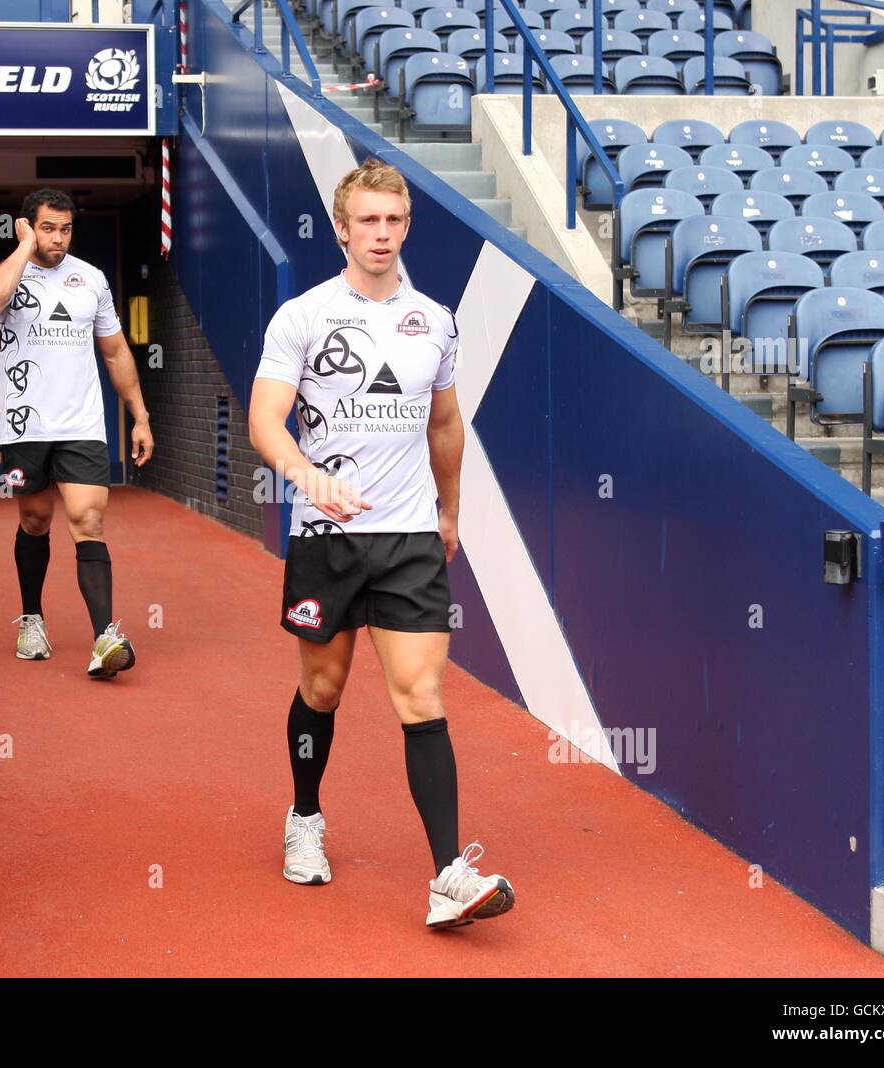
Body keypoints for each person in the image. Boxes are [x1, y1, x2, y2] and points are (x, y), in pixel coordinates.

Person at [248, 159, 515, 928]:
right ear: (341, 227)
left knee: (421, 696)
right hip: (327, 539)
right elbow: (269, 416)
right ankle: (305, 817)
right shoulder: (301, 316)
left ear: (406, 226)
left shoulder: (434, 319)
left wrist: (452, 511)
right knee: (323, 690)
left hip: (407, 535)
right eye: (367, 220)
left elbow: (444, 425)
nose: (381, 233)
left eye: (393, 220)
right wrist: (304, 473)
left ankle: (447, 878)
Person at [0, 188, 153, 679]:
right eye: (48, 227)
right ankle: (32, 619)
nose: (58, 237)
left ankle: (104, 638)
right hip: (24, 425)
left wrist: (139, 415)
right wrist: (24, 249)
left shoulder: (90, 279)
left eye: (65, 228)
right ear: (28, 227)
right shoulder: (5, 276)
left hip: (82, 425)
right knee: (35, 520)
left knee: (87, 520)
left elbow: (116, 353)